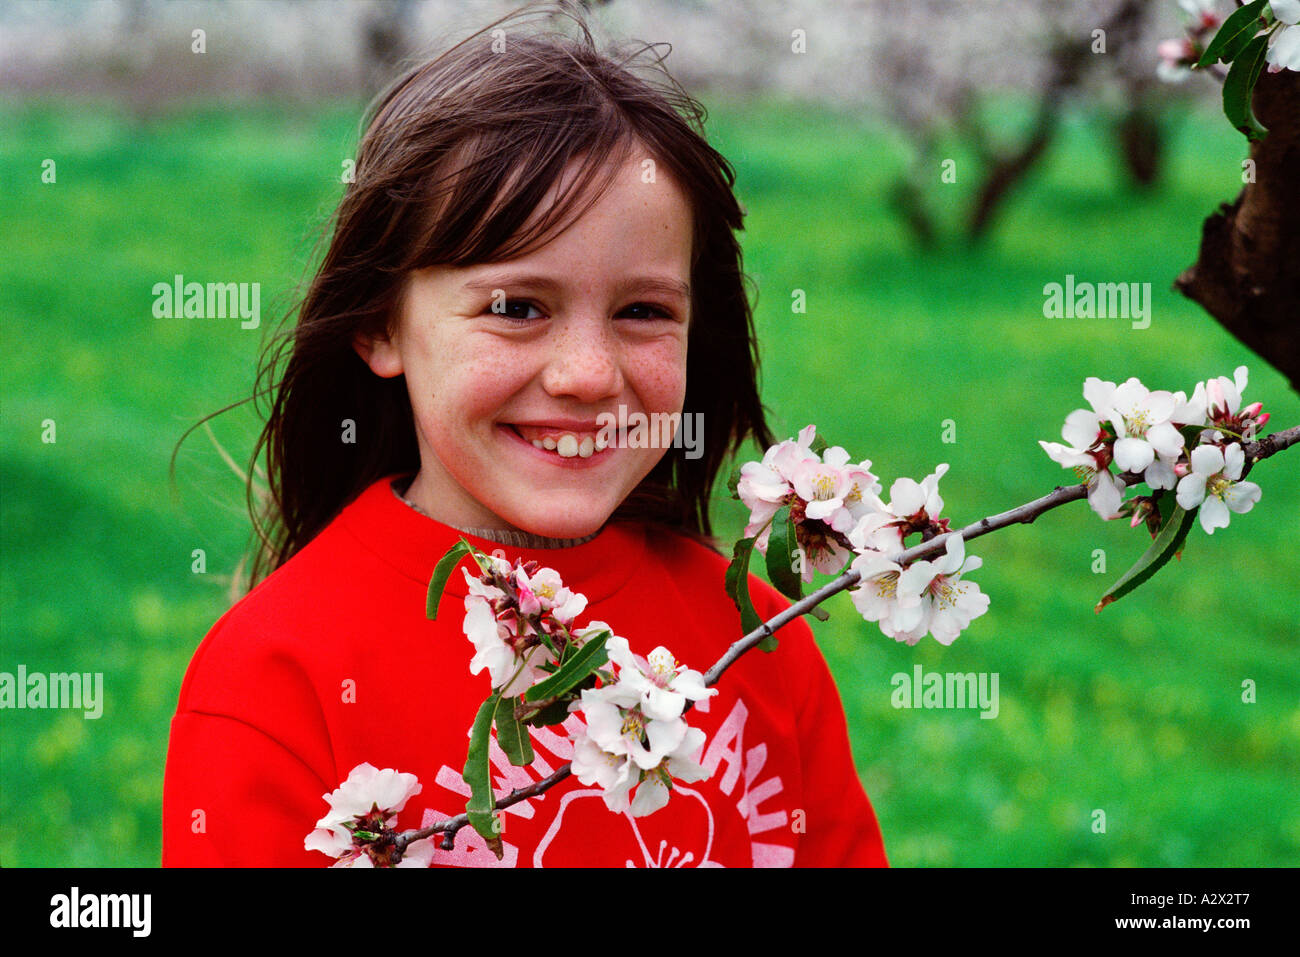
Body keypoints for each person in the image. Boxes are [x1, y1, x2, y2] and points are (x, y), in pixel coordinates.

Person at [162, 2, 888, 868]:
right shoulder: (277, 676)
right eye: (515, 307)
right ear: (381, 326)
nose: (587, 373)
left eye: (644, 310)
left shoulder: (764, 641)